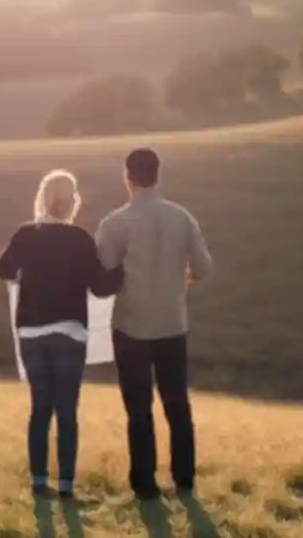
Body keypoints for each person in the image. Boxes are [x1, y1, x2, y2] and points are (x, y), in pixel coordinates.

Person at [0, 170, 124, 500]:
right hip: (69, 332)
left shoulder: (26, 234)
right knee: (67, 410)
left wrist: (29, 269)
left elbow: (3, 269)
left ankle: (39, 484)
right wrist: (122, 267)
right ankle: (66, 488)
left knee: (40, 409)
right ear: (72, 203)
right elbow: (101, 287)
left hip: (31, 332)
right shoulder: (80, 240)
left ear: (44, 198)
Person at [96, 148, 213, 501]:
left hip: (131, 324)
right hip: (173, 323)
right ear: (158, 176)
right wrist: (182, 277)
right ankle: (185, 478)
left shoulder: (116, 222)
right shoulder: (182, 217)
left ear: (127, 177)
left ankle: (145, 483)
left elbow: (103, 271)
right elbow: (205, 268)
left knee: (139, 407)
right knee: (177, 403)